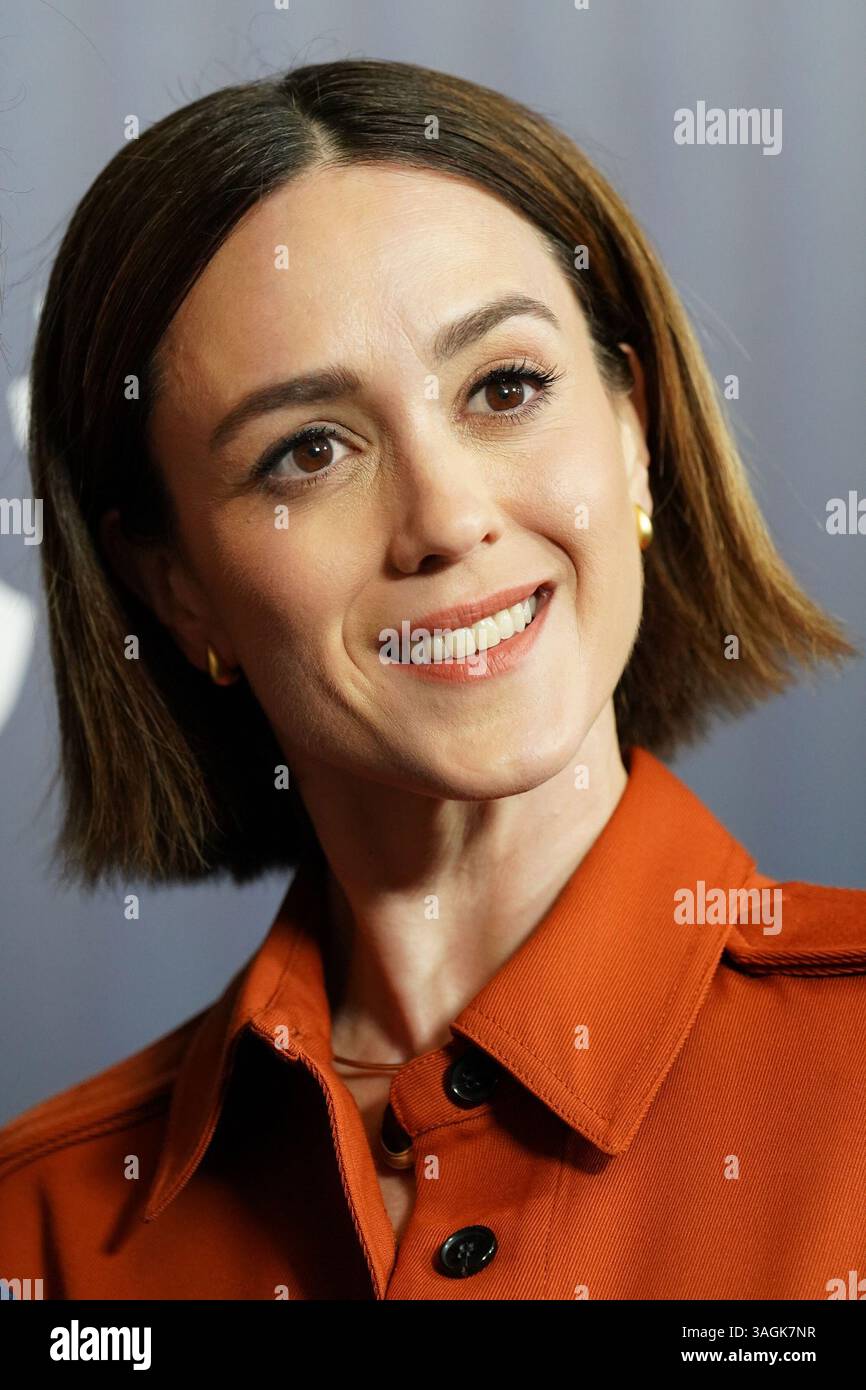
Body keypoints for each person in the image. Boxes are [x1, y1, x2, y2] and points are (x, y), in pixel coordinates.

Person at [0, 57, 863, 1301]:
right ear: (175, 586)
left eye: (503, 389)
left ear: (633, 432)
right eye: (308, 451)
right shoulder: (45, 1233)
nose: (447, 519)